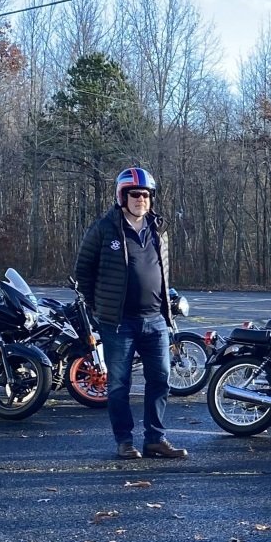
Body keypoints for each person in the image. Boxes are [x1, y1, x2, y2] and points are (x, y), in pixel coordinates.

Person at [74, 167, 187, 462]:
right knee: (119, 384)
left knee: (160, 380)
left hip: (155, 320)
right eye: (135, 194)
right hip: (118, 323)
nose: (141, 199)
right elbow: (82, 273)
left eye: (146, 195)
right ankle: (124, 441)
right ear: (122, 196)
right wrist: (97, 309)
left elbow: (161, 271)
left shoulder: (158, 230)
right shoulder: (104, 229)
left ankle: (155, 439)